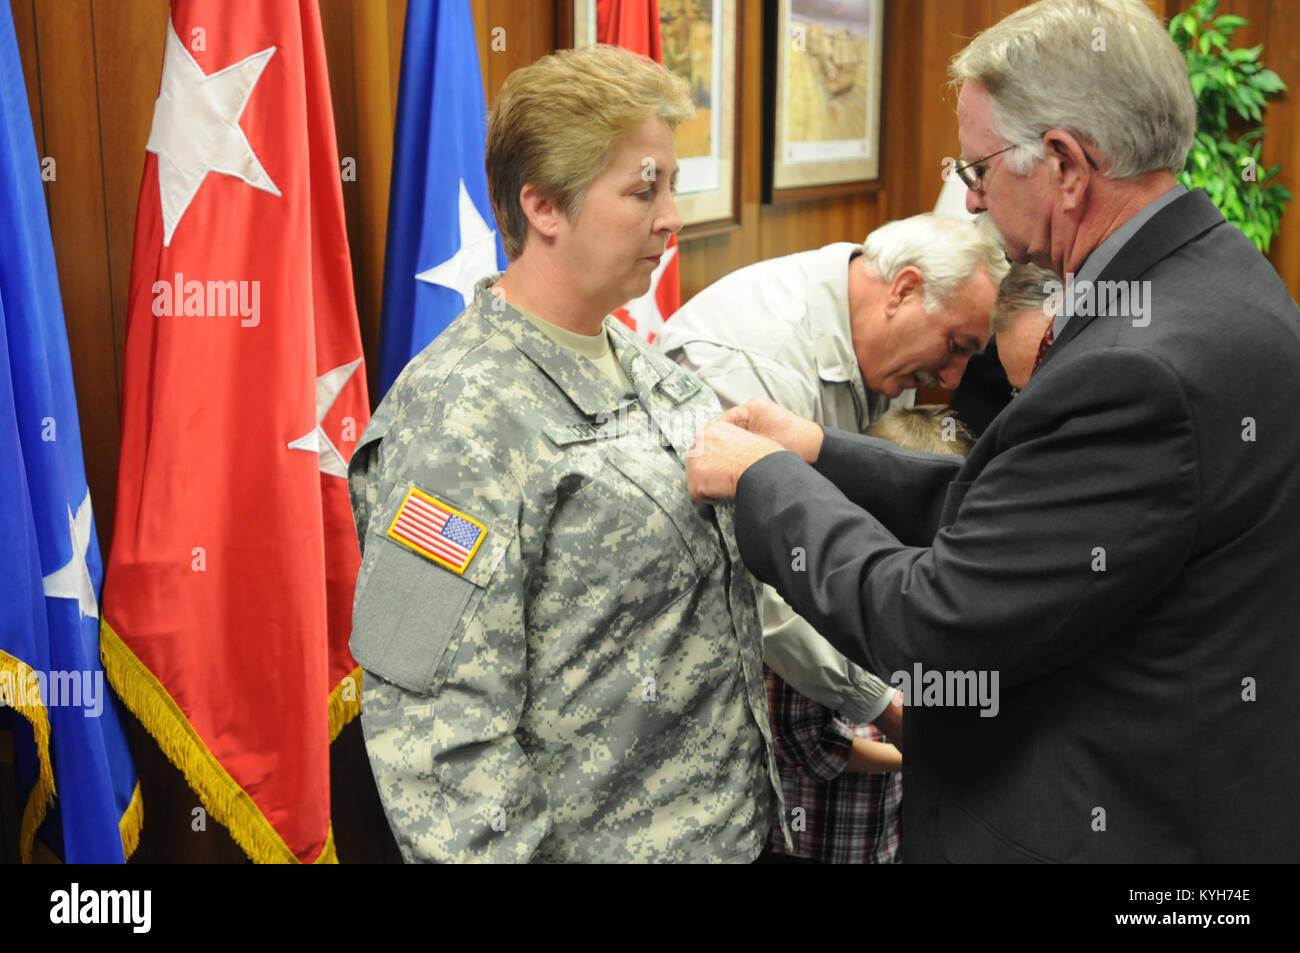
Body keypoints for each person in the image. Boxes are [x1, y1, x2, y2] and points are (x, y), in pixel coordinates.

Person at [684, 0, 1300, 862]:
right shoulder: (1226, 280)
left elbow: (935, 618)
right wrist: (819, 453)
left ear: (1065, 164)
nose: (969, 198)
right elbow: (1024, 518)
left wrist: (764, 482)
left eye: (977, 168)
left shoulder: (1137, 370)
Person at [347, 44, 783, 863]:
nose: (671, 219)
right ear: (544, 206)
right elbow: (432, 734)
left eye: (672, 188)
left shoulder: (649, 368)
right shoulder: (454, 415)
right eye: (643, 190)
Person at [658, 215, 1003, 739]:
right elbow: (749, 581)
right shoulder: (756, 362)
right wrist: (881, 702)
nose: (952, 378)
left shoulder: (888, 343)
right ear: (904, 289)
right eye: (956, 346)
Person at [761, 406, 974, 865]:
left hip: (881, 835)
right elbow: (804, 745)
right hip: (820, 839)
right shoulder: (815, 610)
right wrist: (915, 756)